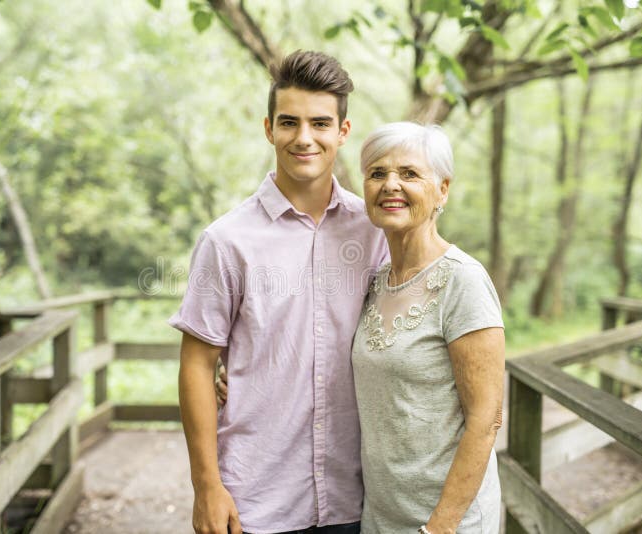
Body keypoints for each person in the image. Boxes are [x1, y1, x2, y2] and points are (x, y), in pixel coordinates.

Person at [169, 50, 387, 534]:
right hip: (256, 500)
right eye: (289, 122)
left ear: (342, 133)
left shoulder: (375, 233)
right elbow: (197, 365)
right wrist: (207, 487)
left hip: (358, 497)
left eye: (320, 123)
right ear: (269, 128)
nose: (303, 138)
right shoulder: (226, 241)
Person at [352, 122, 505, 534]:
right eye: (377, 173)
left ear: (443, 190)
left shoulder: (464, 282)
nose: (390, 185)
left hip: (446, 522)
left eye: (410, 173)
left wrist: (440, 526)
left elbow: (486, 419)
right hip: (380, 517)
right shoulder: (374, 282)